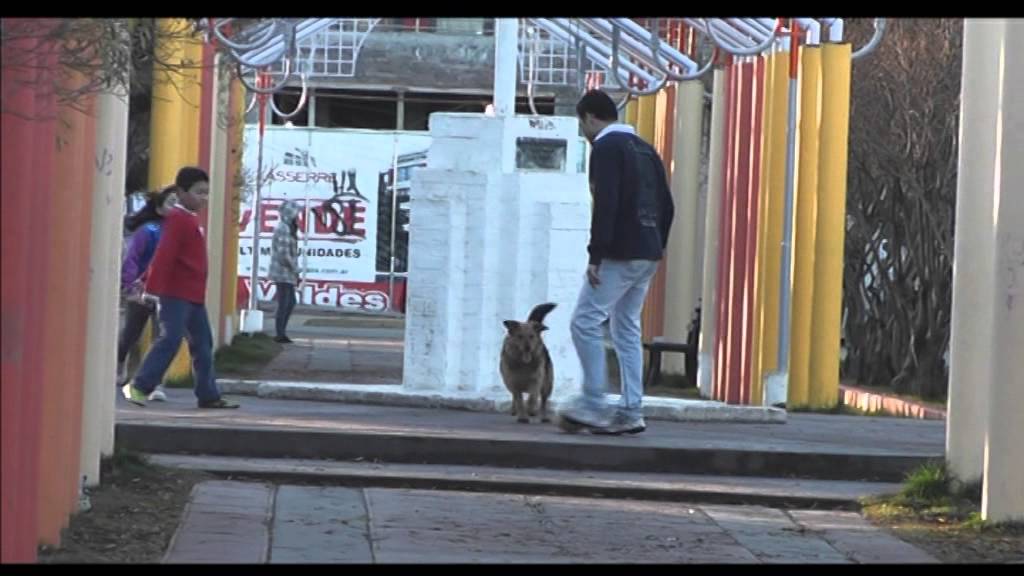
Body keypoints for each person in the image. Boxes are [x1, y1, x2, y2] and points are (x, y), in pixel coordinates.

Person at [558, 89, 675, 435]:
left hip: (620, 251)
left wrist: (596, 255)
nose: (585, 133)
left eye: (583, 125)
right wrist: (658, 246)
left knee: (584, 321)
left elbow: (605, 202)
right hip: (649, 250)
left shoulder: (606, 149)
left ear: (589, 117)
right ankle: (631, 408)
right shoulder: (646, 149)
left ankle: (594, 402)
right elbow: (668, 205)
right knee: (626, 326)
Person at [122, 166, 239, 409]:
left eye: (207, 193)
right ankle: (139, 386)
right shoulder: (177, 219)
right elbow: (164, 256)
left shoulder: (189, 219)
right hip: (175, 295)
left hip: (192, 296)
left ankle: (208, 395)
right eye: (199, 193)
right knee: (170, 339)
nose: (204, 198)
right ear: (181, 192)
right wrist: (152, 290)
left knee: (203, 344)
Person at [117, 185, 179, 400]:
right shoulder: (148, 230)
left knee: (160, 338)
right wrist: (130, 284)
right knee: (131, 334)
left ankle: (154, 383)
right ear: (160, 206)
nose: (176, 207)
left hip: (169, 293)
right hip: (141, 291)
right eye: (171, 201)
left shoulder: (184, 231)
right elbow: (132, 258)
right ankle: (120, 363)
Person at [268, 200, 301, 343]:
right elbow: (283, 253)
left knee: (290, 302)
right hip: (283, 272)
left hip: (287, 273)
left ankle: (282, 332)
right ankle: (279, 333)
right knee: (284, 302)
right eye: (296, 213)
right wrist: (295, 269)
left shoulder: (288, 227)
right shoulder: (283, 228)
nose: (297, 216)